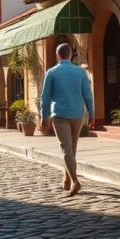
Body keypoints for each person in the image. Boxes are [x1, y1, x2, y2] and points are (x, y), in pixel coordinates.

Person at [40, 43, 95, 197]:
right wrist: (92, 113)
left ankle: (75, 181)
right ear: (71, 55)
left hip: (60, 114)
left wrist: (44, 117)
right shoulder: (80, 72)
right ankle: (66, 179)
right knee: (72, 149)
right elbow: (88, 95)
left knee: (66, 148)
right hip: (77, 113)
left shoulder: (51, 73)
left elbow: (45, 98)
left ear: (58, 56)